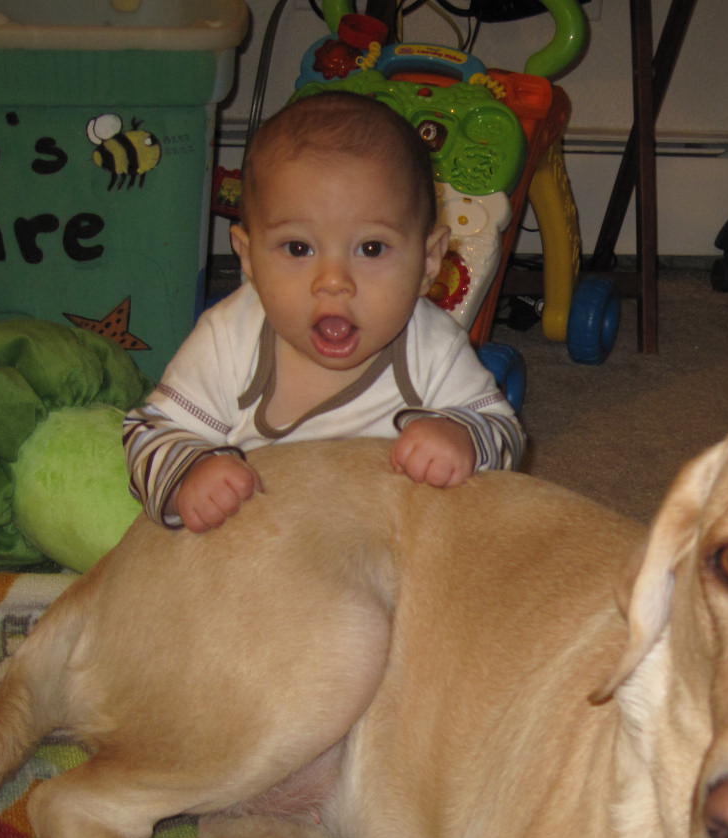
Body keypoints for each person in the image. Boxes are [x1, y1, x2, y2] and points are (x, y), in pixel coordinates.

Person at [123, 91, 524, 532]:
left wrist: (462, 435)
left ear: (429, 261)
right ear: (249, 257)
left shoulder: (433, 348)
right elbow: (152, 433)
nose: (333, 281)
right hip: (261, 551)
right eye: (299, 248)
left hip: (386, 546)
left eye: (371, 248)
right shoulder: (228, 339)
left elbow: (503, 432)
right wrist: (190, 474)